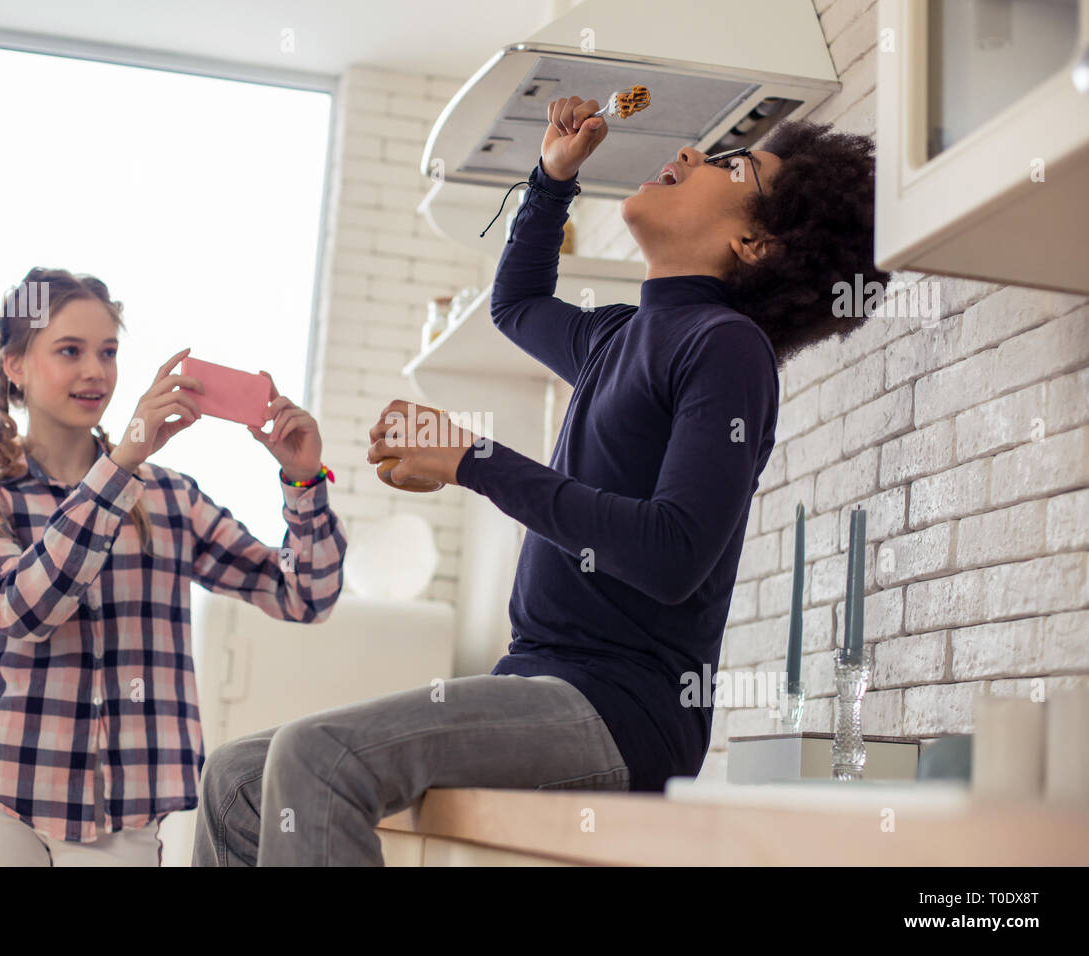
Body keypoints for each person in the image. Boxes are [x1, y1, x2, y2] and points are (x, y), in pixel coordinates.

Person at [193, 97, 888, 866]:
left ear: (752, 241)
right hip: (539, 682)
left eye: (734, 166)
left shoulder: (726, 348)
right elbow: (517, 304)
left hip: (620, 710)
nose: (693, 154)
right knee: (234, 782)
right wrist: (552, 179)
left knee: (318, 755)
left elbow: (673, 554)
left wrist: (472, 459)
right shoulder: (620, 335)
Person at [0, 267, 346, 865]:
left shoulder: (171, 498)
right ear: (15, 364)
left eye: (107, 352)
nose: (95, 371)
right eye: (69, 351)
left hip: (128, 811)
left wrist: (303, 481)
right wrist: (123, 460)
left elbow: (305, 596)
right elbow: (21, 610)